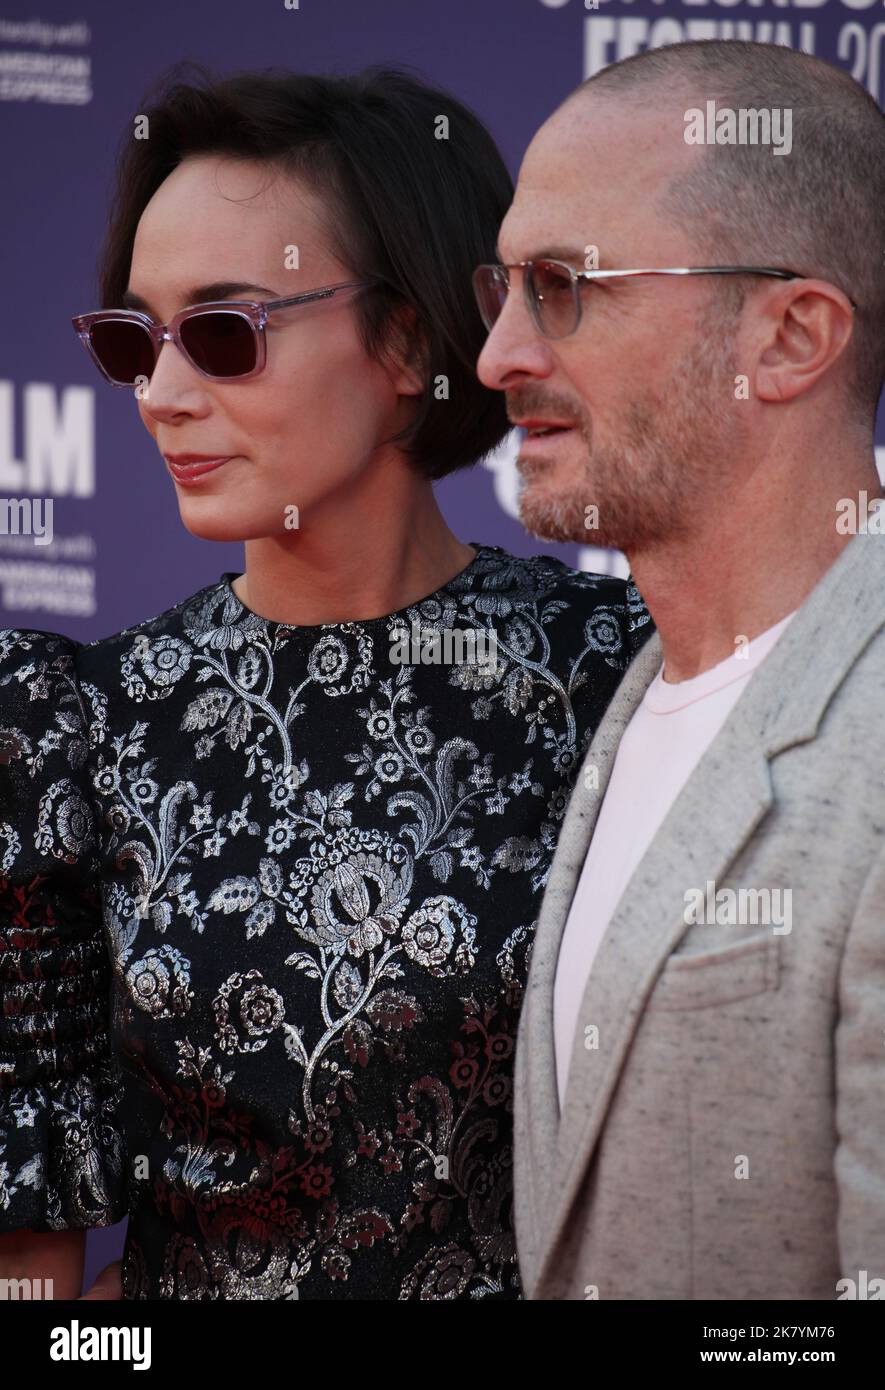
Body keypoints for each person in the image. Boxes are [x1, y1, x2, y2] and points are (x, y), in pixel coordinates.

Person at [0, 65, 651, 1301]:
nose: (163, 396)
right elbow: (30, 1258)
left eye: (226, 332)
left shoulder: (613, 673)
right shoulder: (70, 721)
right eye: (136, 339)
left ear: (408, 340)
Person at [474, 39, 885, 1300]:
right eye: (502, 286)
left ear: (790, 336)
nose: (496, 357)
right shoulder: (628, 696)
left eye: (566, 286)